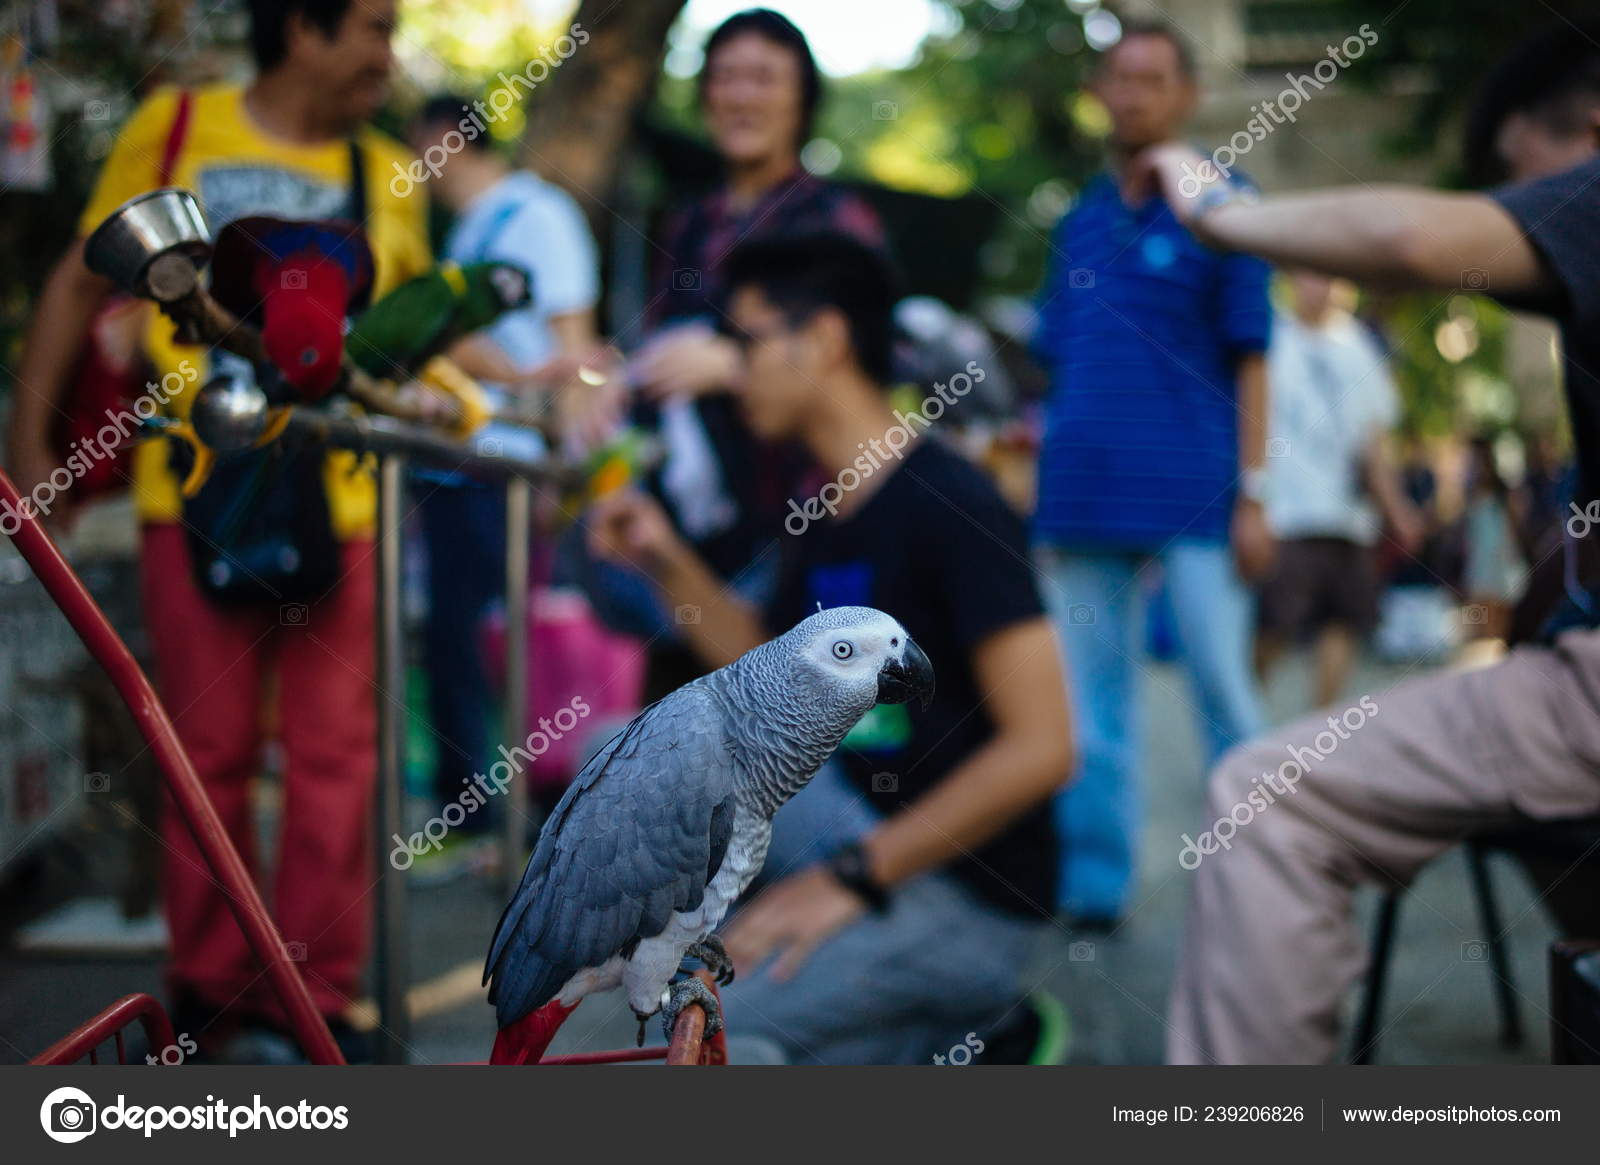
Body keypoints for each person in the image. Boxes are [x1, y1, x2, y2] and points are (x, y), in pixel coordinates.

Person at [1127, 20, 1600, 1063]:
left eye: (1523, 182)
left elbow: (1414, 244)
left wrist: (1219, 210)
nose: (1524, 214)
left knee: (1262, 797)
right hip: (1295, 515)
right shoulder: (1291, 339)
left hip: (1552, 676)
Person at [4, 0, 430, 1060]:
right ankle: (208, 989)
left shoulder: (388, 171)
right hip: (192, 487)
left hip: (340, 497)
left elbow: (398, 340)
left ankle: (318, 997)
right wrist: (27, 456)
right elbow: (77, 277)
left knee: (338, 754)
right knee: (204, 747)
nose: (387, 53)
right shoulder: (178, 127)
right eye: (371, 26)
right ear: (302, 26)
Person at [586, 233, 1072, 1064]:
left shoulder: (953, 502)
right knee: (616, 755)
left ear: (823, 341)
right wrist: (662, 553)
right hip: (851, 814)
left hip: (966, 885)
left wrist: (852, 876)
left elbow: (1045, 746)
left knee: (722, 1038)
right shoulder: (826, 503)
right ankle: (905, 1021)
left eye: (746, 341)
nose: (731, 366)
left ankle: (981, 1021)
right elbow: (761, 666)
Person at [1031, 21, 1274, 925]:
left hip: (1201, 497)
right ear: (1101, 90)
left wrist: (1257, 493)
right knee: (1090, 709)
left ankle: (1259, 879)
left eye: (1154, 80)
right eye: (1120, 78)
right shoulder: (1079, 217)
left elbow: (1255, 356)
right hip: (1082, 497)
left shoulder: (1226, 203)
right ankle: (1096, 888)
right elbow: (1057, 355)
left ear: (1186, 96)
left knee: (1225, 693)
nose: (1134, 94)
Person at [623, 8, 885, 700]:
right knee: (674, 737)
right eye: (727, 76)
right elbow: (655, 341)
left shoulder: (836, 217)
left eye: (765, 77)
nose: (742, 95)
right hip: (686, 531)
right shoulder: (690, 221)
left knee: (778, 726)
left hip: (798, 526)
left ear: (802, 98)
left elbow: (879, 365)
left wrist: (736, 364)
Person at [402, 95, 605, 846]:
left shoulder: (534, 216)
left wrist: (563, 469)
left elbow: (572, 353)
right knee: (461, 637)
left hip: (507, 467)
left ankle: (517, 815)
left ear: (445, 139)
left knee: (501, 638)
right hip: (461, 464)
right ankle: (482, 813)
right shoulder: (472, 230)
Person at [1255, 269, 1421, 707]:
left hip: (1347, 517)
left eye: (1330, 276)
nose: (1321, 286)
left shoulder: (1360, 348)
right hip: (1286, 514)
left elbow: (1373, 443)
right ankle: (1241, 726)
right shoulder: (1269, 337)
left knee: (1341, 622)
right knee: (1273, 624)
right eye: (1311, 276)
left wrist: (1396, 509)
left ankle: (1319, 731)